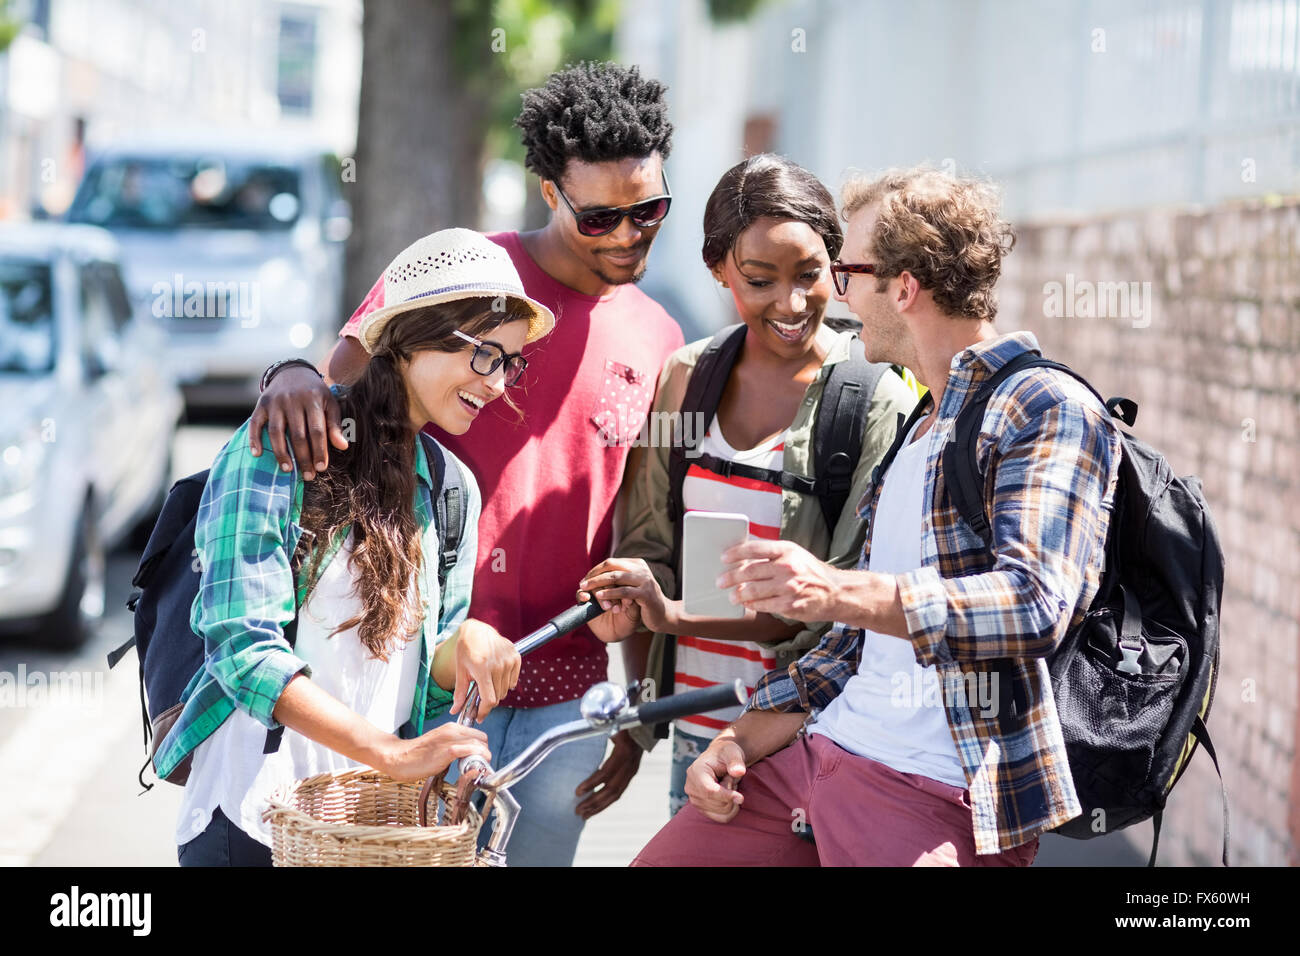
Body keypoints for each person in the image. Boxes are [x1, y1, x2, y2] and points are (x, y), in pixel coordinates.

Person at [247, 62, 684, 865]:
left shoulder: (661, 335)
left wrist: (638, 712)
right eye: (601, 217)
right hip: (421, 675)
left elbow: (643, 531)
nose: (629, 232)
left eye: (649, 209)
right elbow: (341, 378)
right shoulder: (464, 272)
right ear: (551, 192)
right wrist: (289, 374)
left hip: (570, 699)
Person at [630, 166, 1123, 866]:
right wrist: (740, 739)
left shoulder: (1045, 408)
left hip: (934, 793)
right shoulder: (922, 420)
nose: (834, 290)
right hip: (815, 759)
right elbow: (849, 648)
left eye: (846, 269)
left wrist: (835, 591)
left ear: (903, 286)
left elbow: (1033, 604)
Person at [160, 229, 546, 866]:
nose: (500, 383)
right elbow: (242, 648)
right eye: (486, 355)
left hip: (370, 827)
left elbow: (420, 678)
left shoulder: (454, 489)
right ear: (413, 337)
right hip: (252, 817)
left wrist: (468, 642)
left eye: (510, 362)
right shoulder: (281, 446)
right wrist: (391, 756)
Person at [577, 154, 916, 815]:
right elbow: (651, 549)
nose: (791, 305)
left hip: (814, 751)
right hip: (698, 746)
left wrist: (674, 614)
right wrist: (638, 725)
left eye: (811, 275)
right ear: (718, 270)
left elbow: (843, 611)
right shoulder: (686, 379)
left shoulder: (875, 400)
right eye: (760, 281)